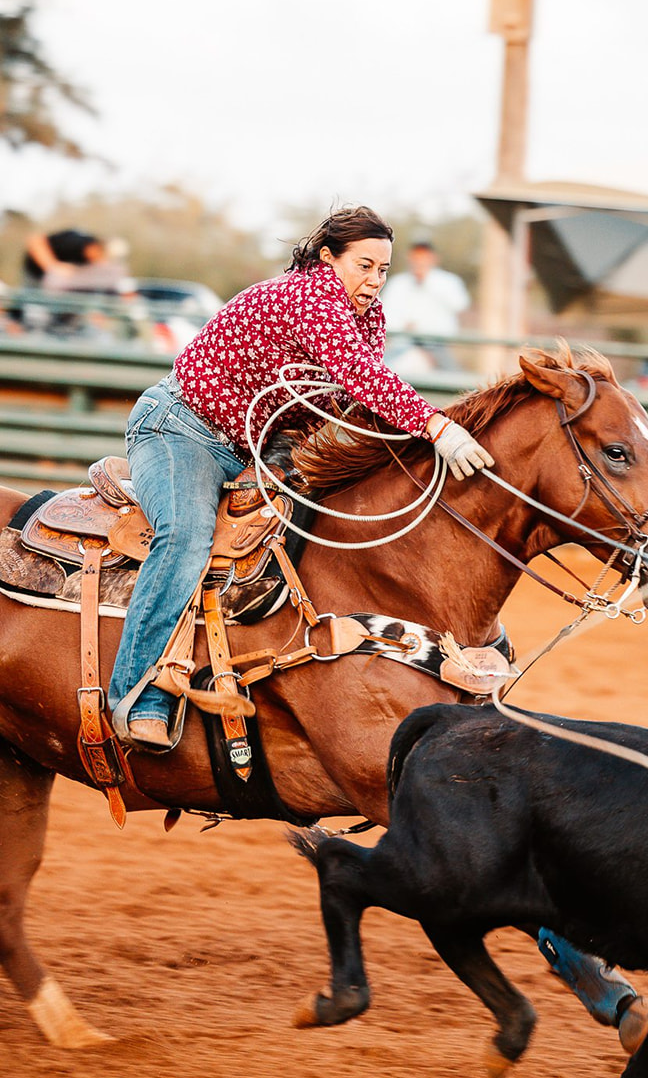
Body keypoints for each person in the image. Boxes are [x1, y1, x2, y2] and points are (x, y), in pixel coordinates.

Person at [107, 206, 494, 750]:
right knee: (186, 535)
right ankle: (138, 695)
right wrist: (437, 428)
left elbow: (356, 402)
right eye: (364, 265)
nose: (374, 280)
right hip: (183, 429)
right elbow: (364, 378)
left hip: (260, 443)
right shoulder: (308, 296)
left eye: (383, 270)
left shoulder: (366, 316)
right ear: (326, 258)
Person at [379, 238, 470, 337]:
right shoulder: (397, 283)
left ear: (434, 258)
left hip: (438, 343)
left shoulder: (448, 282)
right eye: (416, 257)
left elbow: (460, 305)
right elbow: (386, 314)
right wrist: (402, 326)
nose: (419, 262)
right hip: (404, 342)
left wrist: (427, 280)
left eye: (423, 257)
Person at [22, 229, 108, 284]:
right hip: (35, 273)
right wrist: (53, 266)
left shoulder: (88, 261)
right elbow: (35, 240)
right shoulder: (76, 242)